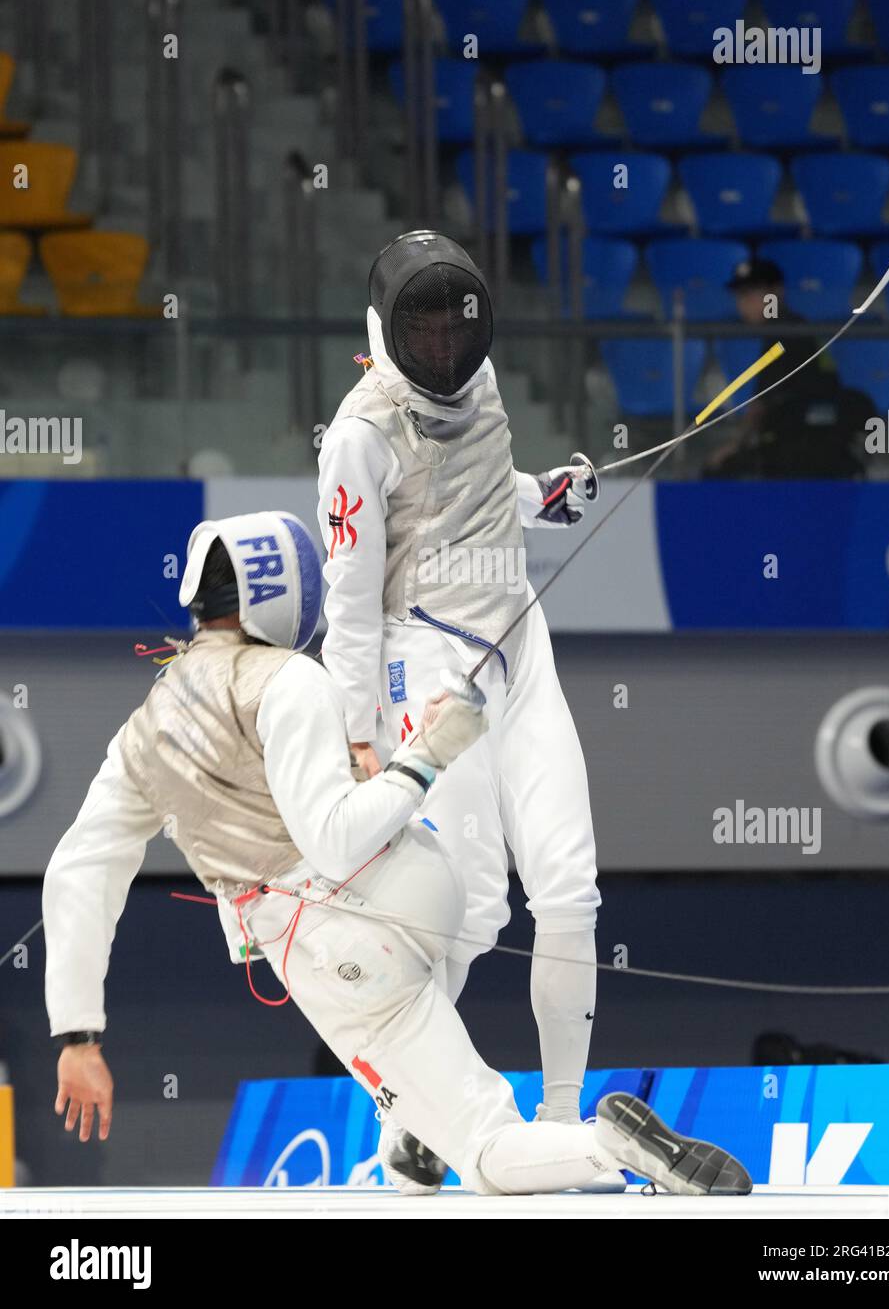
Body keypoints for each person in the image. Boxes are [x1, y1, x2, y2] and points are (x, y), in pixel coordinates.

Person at [42, 509, 752, 1197]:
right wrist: (428, 753)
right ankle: (415, 1127)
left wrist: (79, 1034)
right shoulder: (293, 678)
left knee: (486, 1152)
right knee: (423, 1065)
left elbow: (82, 871)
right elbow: (349, 826)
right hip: (422, 880)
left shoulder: (146, 731)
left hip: (339, 943)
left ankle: (603, 1146)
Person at [316, 230, 609, 1187]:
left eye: (456, 323)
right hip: (429, 663)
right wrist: (359, 737)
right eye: (425, 326)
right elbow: (350, 602)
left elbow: (475, 491)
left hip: (521, 645)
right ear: (388, 329)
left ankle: (563, 1125)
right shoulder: (357, 438)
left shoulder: (477, 387)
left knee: (568, 885)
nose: (443, 341)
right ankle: (414, 1122)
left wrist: (545, 498)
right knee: (465, 909)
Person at [702, 258, 873, 479]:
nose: (743, 303)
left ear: (776, 292)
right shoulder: (793, 325)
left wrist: (733, 447)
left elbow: (759, 406)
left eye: (752, 294)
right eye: (740, 296)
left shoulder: (784, 332)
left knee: (717, 471)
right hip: (809, 442)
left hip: (804, 448)